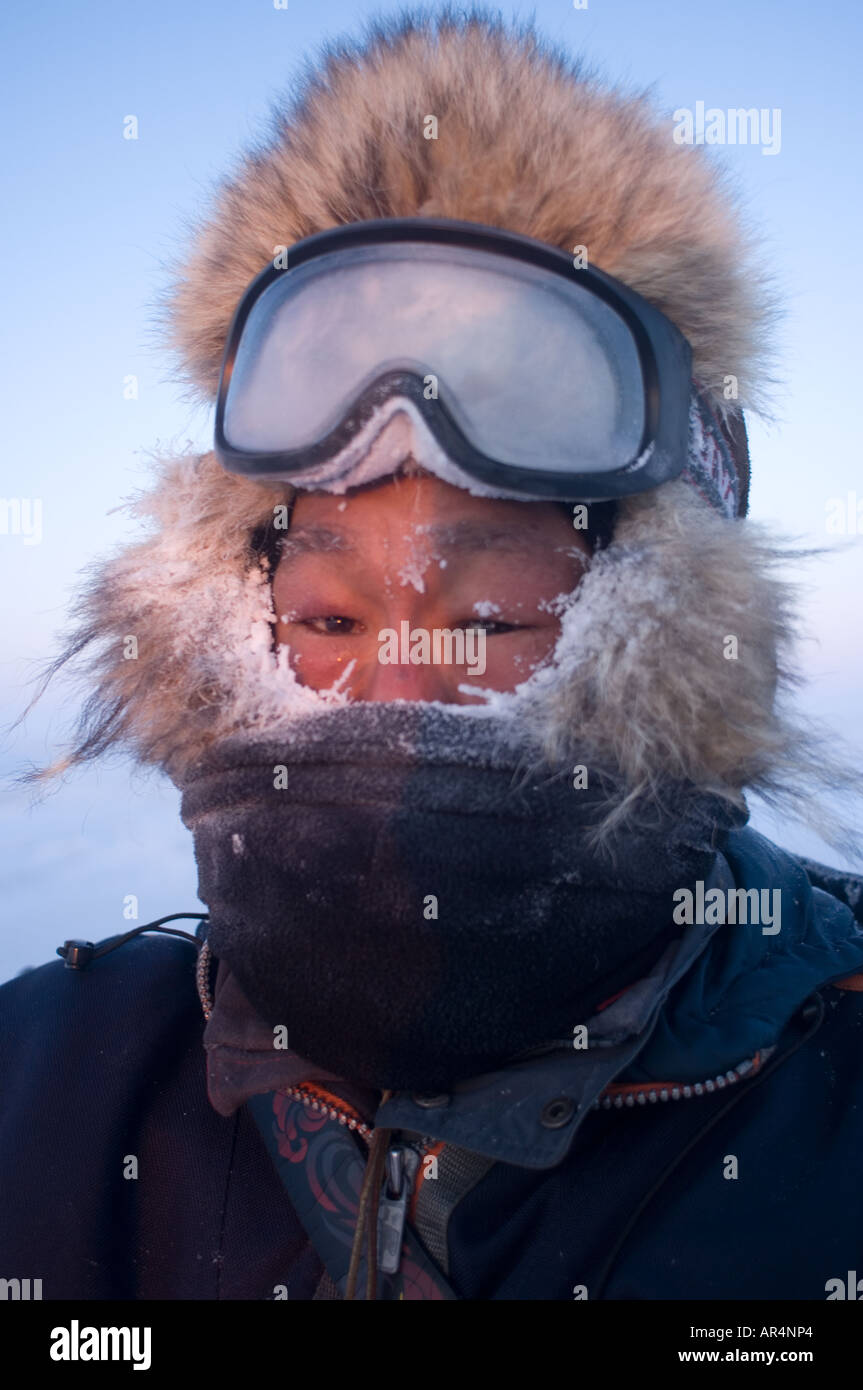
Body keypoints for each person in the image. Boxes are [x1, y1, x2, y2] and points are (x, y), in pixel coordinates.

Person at [2, 8, 862, 1303]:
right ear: (234, 627)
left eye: (490, 625)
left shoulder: (829, 1090)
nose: (396, 697)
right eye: (332, 624)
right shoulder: (55, 1086)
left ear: (665, 655)